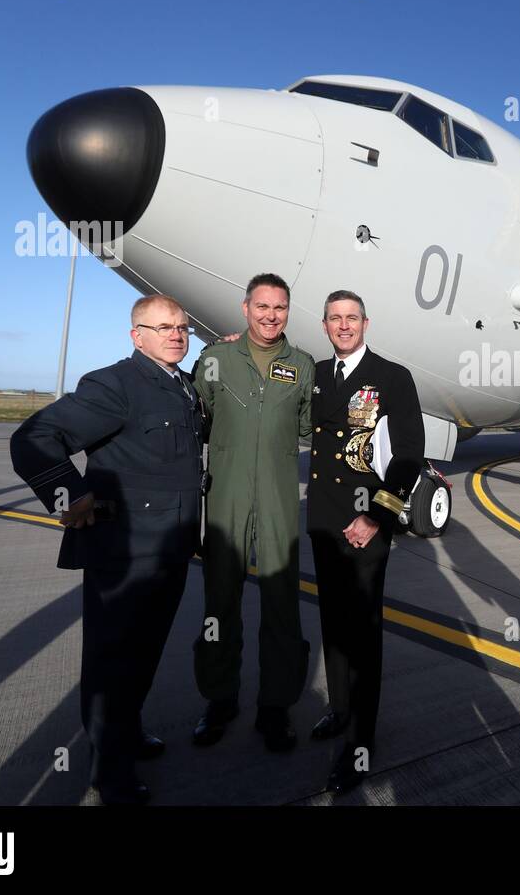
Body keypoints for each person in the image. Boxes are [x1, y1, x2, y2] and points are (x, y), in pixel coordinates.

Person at [10, 295, 204, 805]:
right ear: (136, 334)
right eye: (162, 327)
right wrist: (68, 495)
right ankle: (108, 770)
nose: (176, 335)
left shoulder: (181, 385)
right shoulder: (116, 384)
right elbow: (34, 436)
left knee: (144, 656)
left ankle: (127, 731)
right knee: (111, 662)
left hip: (170, 547)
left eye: (182, 327)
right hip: (124, 553)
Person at [190, 273, 316, 752]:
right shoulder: (216, 359)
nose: (270, 315)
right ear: (245, 309)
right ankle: (219, 701)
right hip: (226, 499)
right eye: (262, 306)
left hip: (281, 501)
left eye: (279, 308)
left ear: (287, 311)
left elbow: (310, 428)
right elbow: (192, 415)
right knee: (219, 605)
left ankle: (275, 707)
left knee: (282, 606)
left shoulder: (302, 366)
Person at [307, 290, 424, 795]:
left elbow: (409, 457)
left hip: (364, 524)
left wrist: (378, 516)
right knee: (333, 625)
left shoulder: (392, 377)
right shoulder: (314, 375)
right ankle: (339, 711)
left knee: (362, 633)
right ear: (326, 325)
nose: (343, 325)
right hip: (323, 522)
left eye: (351, 317)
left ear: (365, 323)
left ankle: (360, 746)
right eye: (335, 318)